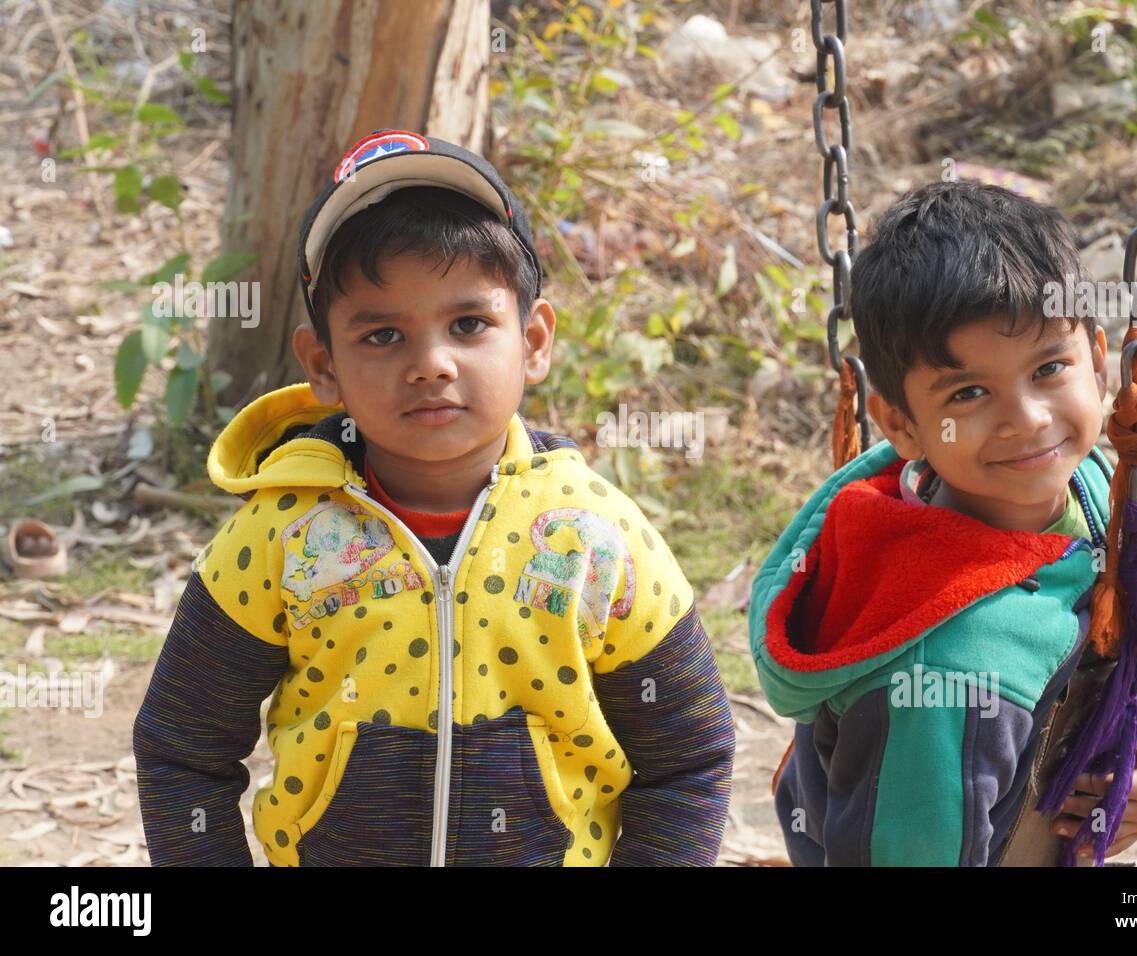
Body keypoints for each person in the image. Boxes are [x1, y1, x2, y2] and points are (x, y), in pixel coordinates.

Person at [134, 129, 735, 866]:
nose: (432, 365)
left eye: (469, 324)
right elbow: (181, 750)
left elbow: (688, 758)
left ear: (535, 340)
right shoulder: (278, 537)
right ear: (323, 365)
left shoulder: (594, 537)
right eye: (383, 335)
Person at [748, 181, 1137, 866]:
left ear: (1097, 357)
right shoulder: (944, 677)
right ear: (901, 423)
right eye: (969, 393)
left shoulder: (1087, 492)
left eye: (1050, 367)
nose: (1027, 418)